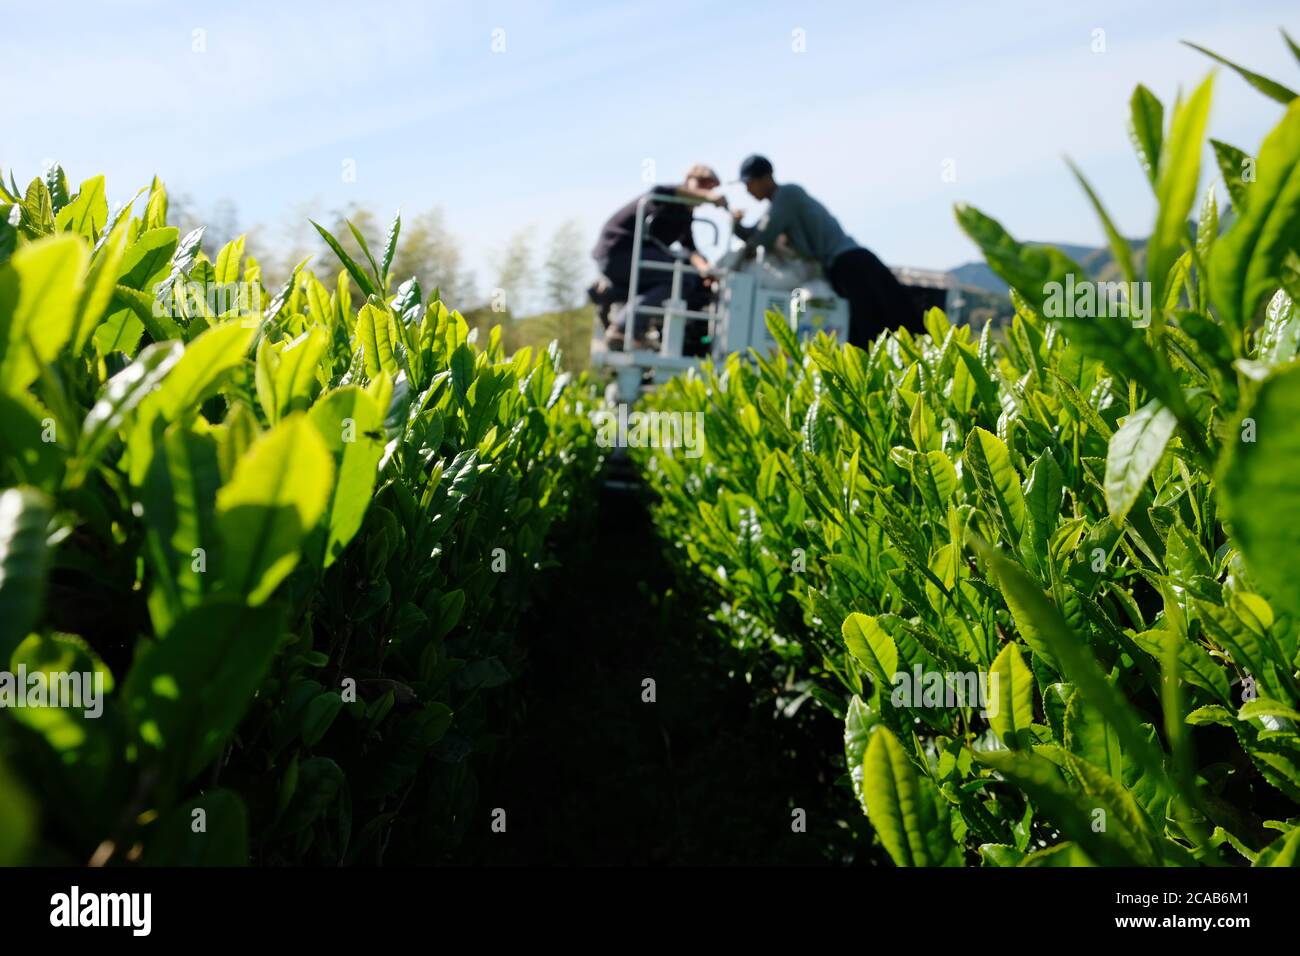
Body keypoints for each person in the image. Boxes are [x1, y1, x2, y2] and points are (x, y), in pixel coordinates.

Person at [730, 154, 919, 347]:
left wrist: (737, 226)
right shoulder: (779, 204)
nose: (747, 190)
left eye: (749, 183)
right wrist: (735, 224)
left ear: (766, 177)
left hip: (851, 262)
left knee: (889, 319)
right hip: (841, 266)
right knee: (870, 325)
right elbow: (758, 234)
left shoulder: (788, 195)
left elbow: (762, 237)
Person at [589, 164, 728, 350]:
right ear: (688, 179)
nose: (706, 190)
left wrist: (705, 269)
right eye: (702, 184)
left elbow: (689, 247)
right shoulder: (664, 196)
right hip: (619, 251)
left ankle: (611, 293)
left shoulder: (685, 215)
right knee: (681, 279)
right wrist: (709, 197)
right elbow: (660, 190)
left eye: (710, 187)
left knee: (683, 276)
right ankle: (623, 328)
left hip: (624, 257)